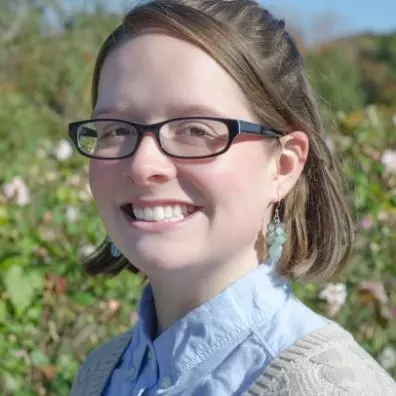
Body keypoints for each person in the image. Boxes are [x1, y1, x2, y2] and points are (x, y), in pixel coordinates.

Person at [68, 1, 396, 395]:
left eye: (195, 129)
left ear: (284, 166)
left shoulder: (329, 387)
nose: (142, 165)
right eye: (115, 130)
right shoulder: (101, 374)